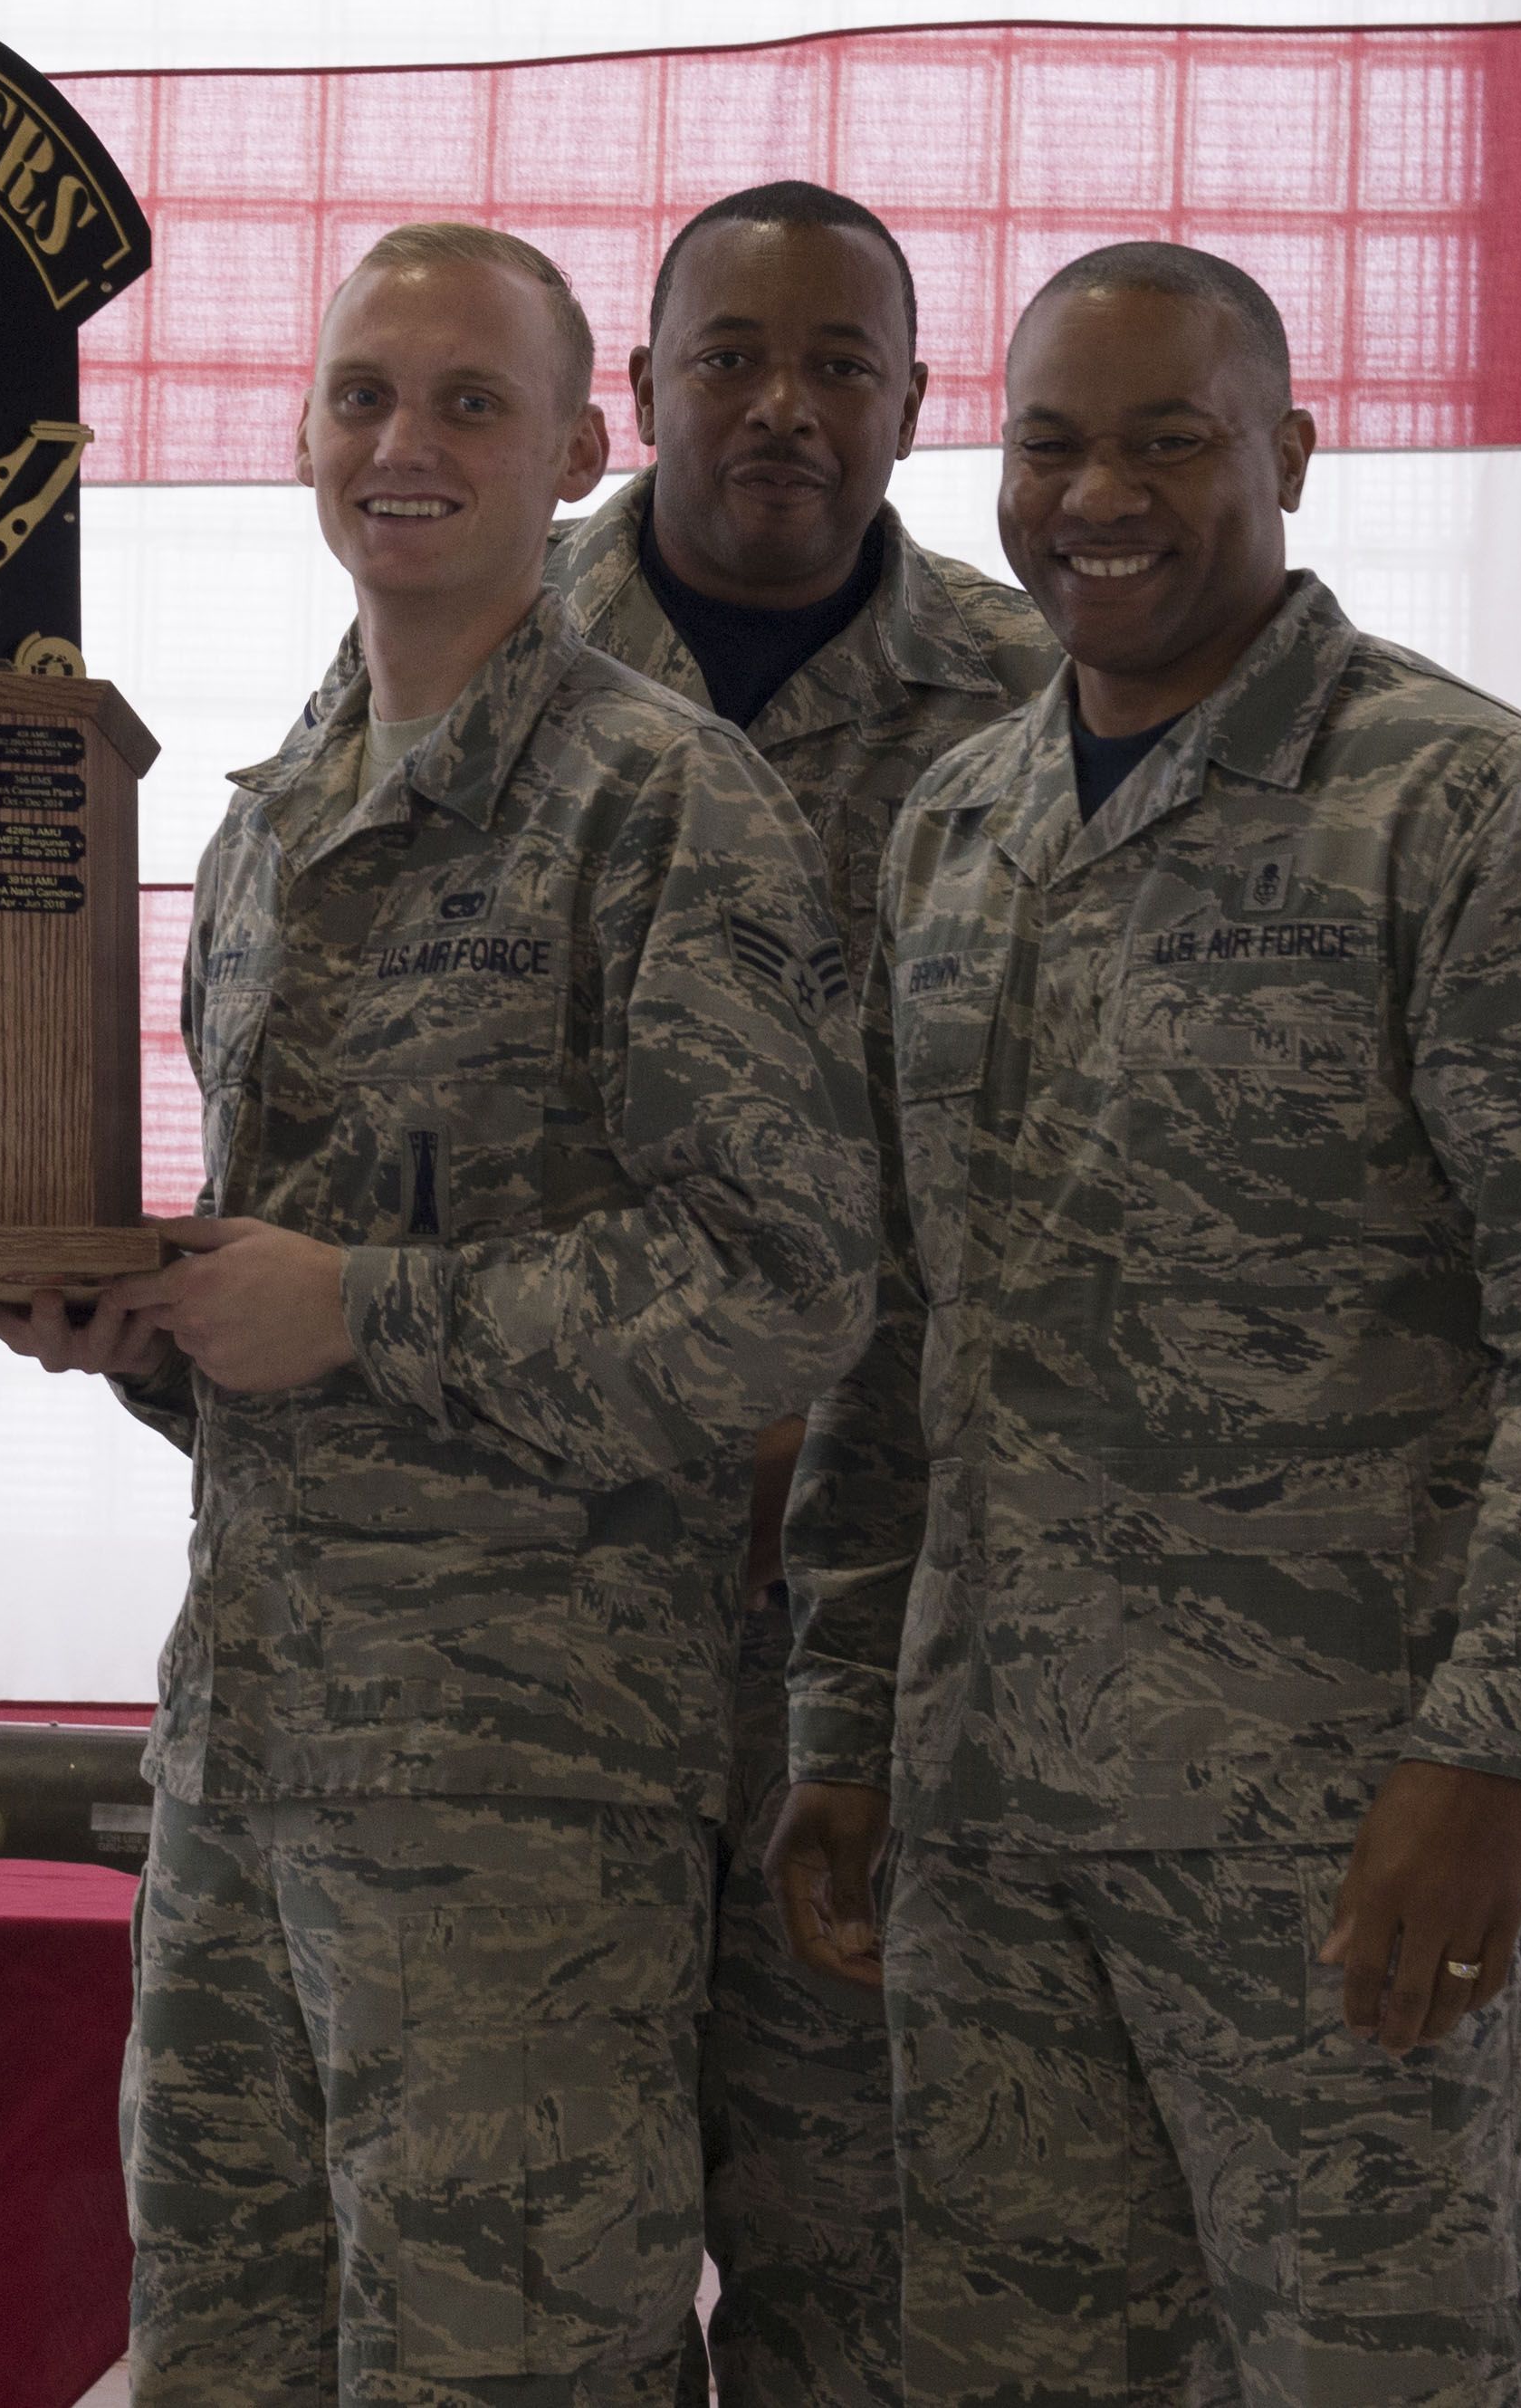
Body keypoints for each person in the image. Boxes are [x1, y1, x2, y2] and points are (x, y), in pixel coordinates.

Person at [770, 243, 1521, 2408]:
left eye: (1168, 436)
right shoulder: (958, 828)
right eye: (1051, 441)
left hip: (1331, 1847)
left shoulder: (1462, 808)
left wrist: (1496, 1747)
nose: (1097, 491)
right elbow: (899, 1345)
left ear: (1288, 451)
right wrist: (845, 1717)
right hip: (994, 1830)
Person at [0, 221, 878, 2407]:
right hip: (250, 1763)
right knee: (224, 2360)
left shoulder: (663, 806)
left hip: (522, 1813)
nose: (406, 441)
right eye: (365, 392)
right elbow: (293, 1333)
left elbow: (782, 1298)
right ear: (298, 429)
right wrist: (152, 1330)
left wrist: (362, 1310)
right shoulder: (272, 820)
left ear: (580, 441)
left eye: (472, 401)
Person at [544, 180, 1059, 2408]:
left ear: (917, 407)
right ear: (635, 393)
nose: (780, 407)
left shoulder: (1034, 710)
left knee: (872, 2264)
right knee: (536, 2259)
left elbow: (1056, 1188)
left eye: (839, 364)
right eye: (727, 356)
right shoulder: (477, 656)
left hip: (893, 1639)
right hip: (540, 1613)